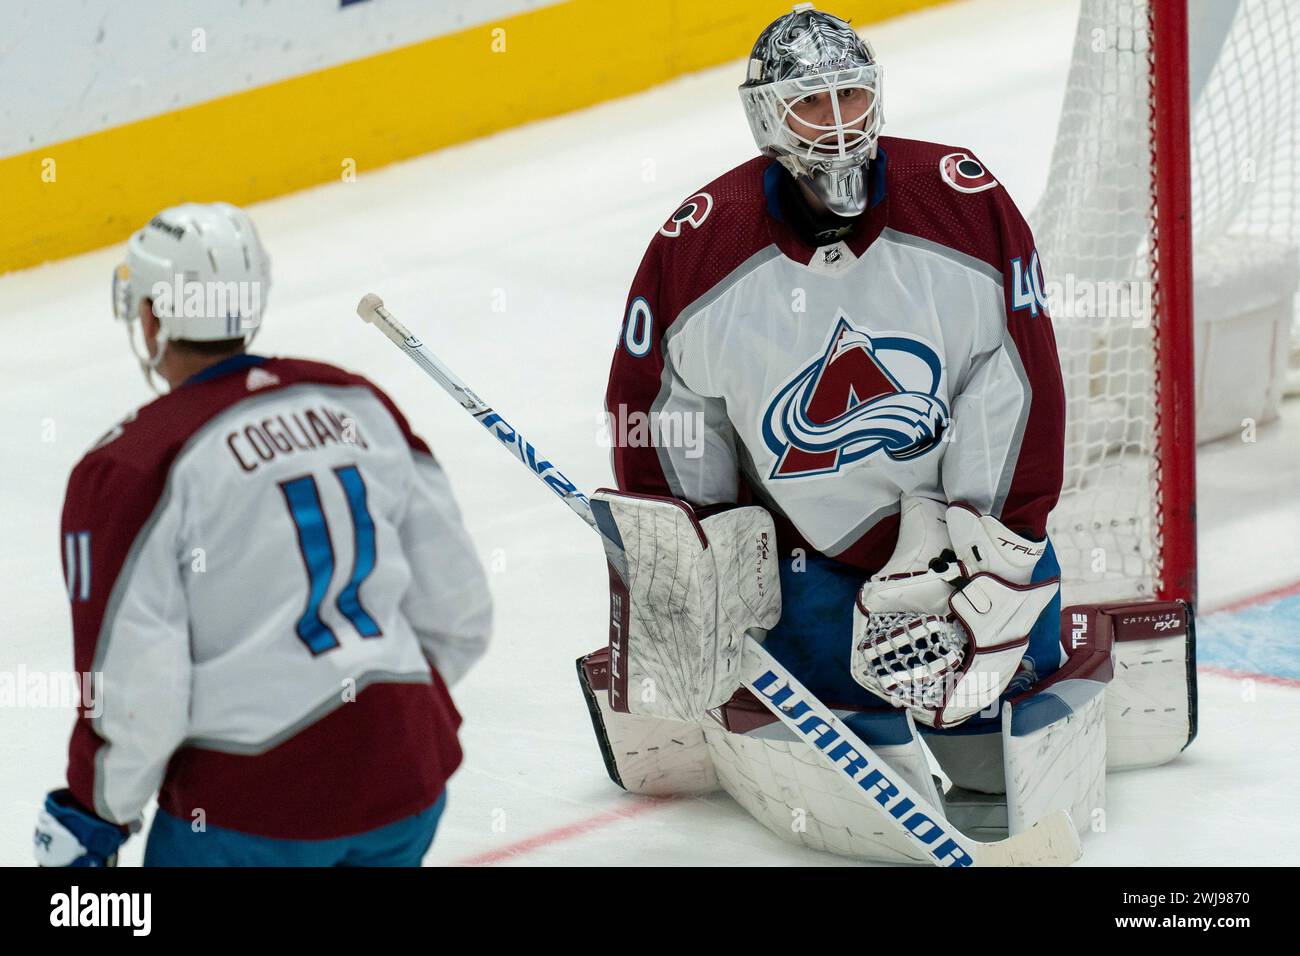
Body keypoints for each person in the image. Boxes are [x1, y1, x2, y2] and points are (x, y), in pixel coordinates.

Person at [600, 4, 1065, 732]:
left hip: (962, 546)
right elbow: (670, 420)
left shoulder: (960, 202)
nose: (840, 120)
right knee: (834, 701)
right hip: (804, 561)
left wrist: (997, 558)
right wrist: (701, 563)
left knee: (1016, 683)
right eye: (811, 102)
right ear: (768, 118)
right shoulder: (700, 251)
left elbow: (1013, 379)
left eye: (850, 94)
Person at [34, 202, 491, 867]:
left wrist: (95, 811)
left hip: (249, 814)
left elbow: (140, 693)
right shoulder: (356, 401)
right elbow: (459, 613)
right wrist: (385, 723)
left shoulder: (131, 466)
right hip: (408, 785)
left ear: (153, 317)